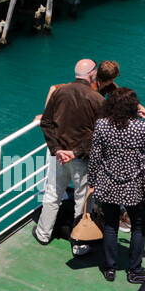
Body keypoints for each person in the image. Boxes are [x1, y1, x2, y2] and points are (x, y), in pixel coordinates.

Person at [88, 87, 145, 283]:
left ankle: (109, 268)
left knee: (110, 225)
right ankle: (134, 270)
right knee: (138, 226)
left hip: (108, 182)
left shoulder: (102, 125)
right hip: (134, 185)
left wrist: (92, 181)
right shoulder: (140, 127)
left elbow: (95, 157)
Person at [34, 58, 105, 244]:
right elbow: (99, 133)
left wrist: (57, 149)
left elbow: (46, 122)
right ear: (92, 74)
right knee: (82, 201)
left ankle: (43, 233)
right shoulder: (97, 99)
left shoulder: (60, 92)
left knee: (52, 194)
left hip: (58, 156)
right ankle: (79, 243)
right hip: (81, 158)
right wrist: (75, 152)